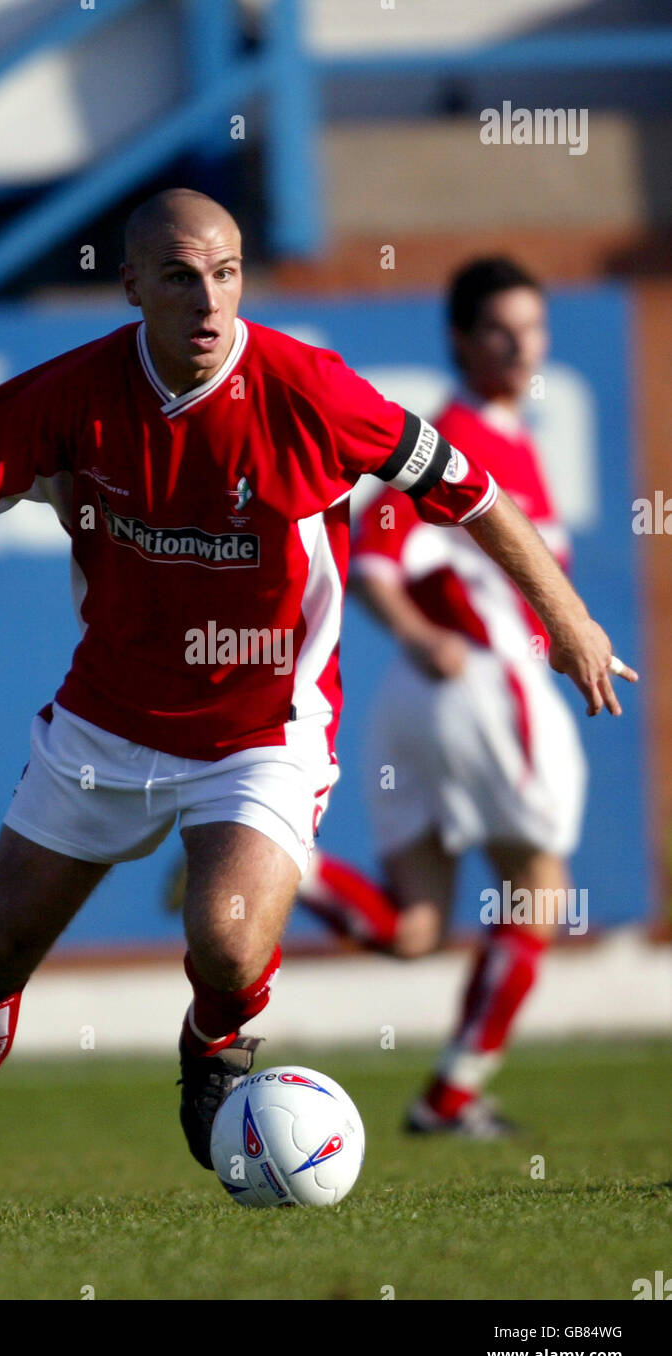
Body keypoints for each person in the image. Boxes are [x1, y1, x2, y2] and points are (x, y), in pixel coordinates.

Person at [0, 194, 634, 1217]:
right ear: (132, 284)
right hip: (104, 722)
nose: (208, 298)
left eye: (226, 273)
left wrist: (570, 624)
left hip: (260, 731)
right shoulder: (78, 393)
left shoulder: (306, 388)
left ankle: (215, 1045)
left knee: (226, 941)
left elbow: (468, 491)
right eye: (181, 276)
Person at [297, 257, 594, 1135]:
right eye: (501, 329)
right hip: (476, 688)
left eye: (533, 327)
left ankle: (287, 870)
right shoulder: (453, 437)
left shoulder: (513, 434)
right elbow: (378, 551)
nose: (521, 344)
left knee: (419, 926)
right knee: (540, 889)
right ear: (462, 340)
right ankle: (452, 1095)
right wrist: (425, 636)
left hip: (420, 702)